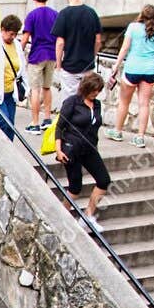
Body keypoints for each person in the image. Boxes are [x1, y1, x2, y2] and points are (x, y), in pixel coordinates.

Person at [55, 73, 112, 229]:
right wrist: (58, 150)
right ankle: (62, 215)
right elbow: (60, 126)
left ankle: (88, 216)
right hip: (72, 149)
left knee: (103, 180)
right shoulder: (72, 102)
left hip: (90, 148)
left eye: (98, 91)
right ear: (86, 88)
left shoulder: (97, 105)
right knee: (75, 187)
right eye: (94, 90)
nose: (96, 93)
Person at [108, 4, 154, 146]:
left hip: (132, 68)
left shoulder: (133, 27)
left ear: (142, 14)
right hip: (149, 71)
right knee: (144, 104)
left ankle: (117, 131)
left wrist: (116, 65)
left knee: (124, 102)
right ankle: (140, 137)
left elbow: (125, 48)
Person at [51, 0, 103, 106]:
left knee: (69, 102)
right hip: (87, 65)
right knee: (87, 100)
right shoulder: (92, 13)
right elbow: (98, 40)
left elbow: (60, 43)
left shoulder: (64, 14)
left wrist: (58, 64)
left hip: (69, 66)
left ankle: (70, 125)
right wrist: (92, 55)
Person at [22, 0, 59, 132]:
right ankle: (47, 118)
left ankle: (35, 122)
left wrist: (19, 51)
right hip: (52, 54)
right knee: (47, 87)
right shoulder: (55, 14)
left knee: (35, 89)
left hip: (37, 54)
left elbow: (25, 38)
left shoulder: (32, 15)